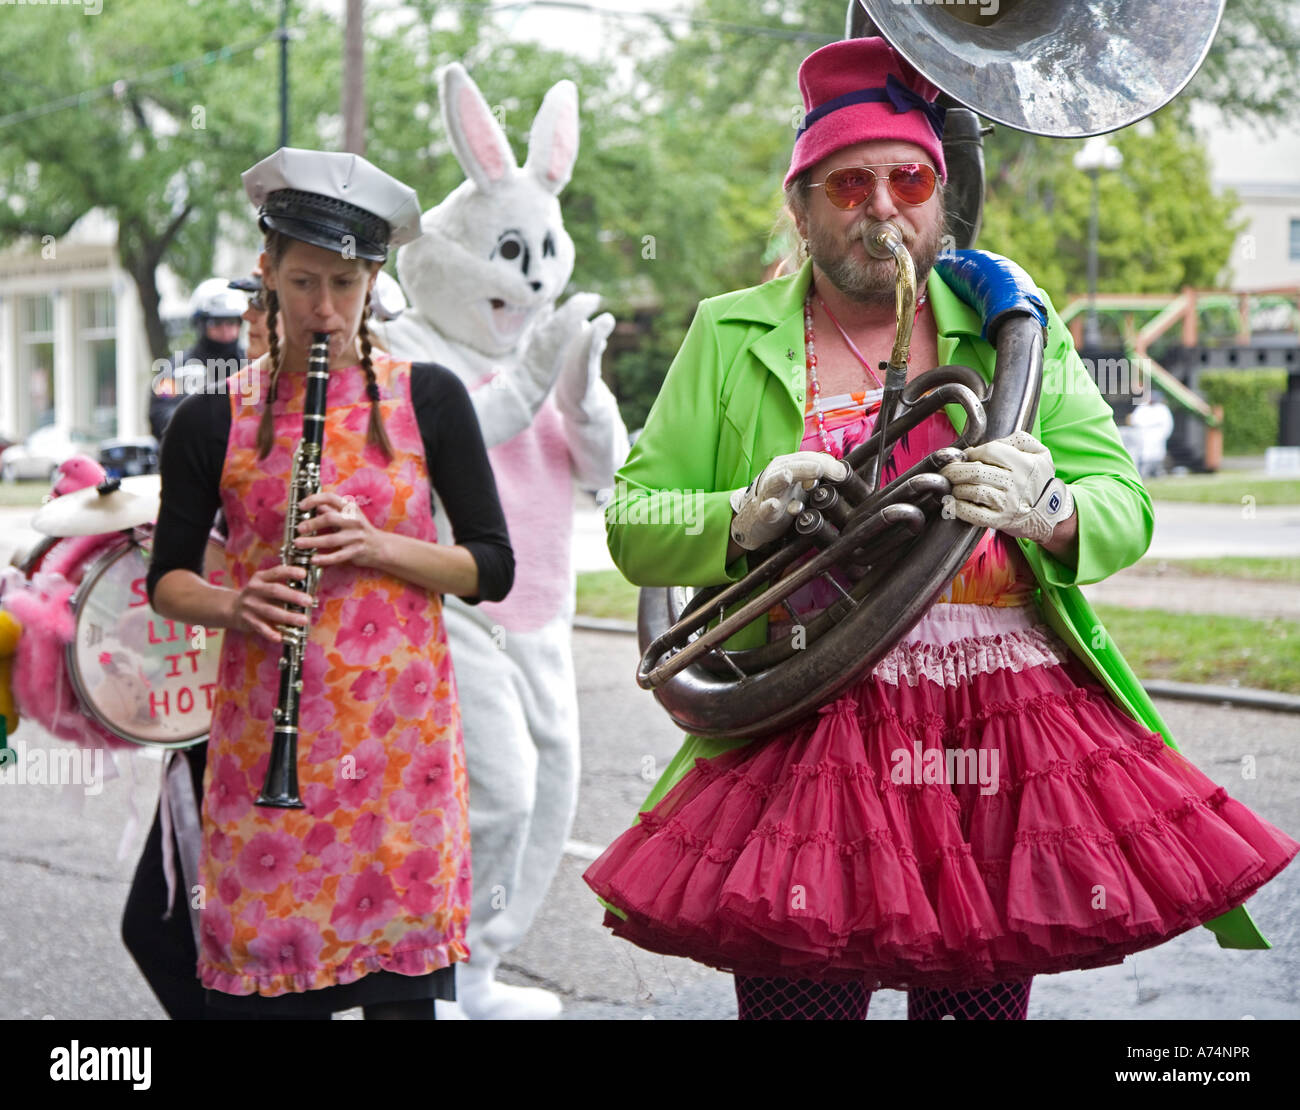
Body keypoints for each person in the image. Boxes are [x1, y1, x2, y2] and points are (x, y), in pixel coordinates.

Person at [582, 38, 1298, 1021]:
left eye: (908, 177)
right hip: (805, 712)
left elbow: (1124, 506)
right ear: (799, 209)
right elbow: (633, 523)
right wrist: (743, 515)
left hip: (998, 729)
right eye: (847, 185)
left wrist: (1051, 511)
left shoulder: (1014, 325)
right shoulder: (726, 330)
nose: (881, 204)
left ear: (938, 197)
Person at [145, 147, 514, 1019]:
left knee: (399, 1003)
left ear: (373, 279)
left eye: (345, 284)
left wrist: (377, 545)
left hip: (398, 770)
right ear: (266, 270)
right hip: (267, 756)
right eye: (303, 280)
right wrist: (235, 603)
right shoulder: (209, 419)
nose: (323, 308)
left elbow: (490, 568)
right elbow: (167, 581)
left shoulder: (431, 398)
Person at [149, 279, 248, 440]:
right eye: (216, 322)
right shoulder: (176, 369)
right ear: (200, 323)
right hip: (191, 457)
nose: (225, 329)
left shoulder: (252, 366)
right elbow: (160, 415)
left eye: (231, 322)